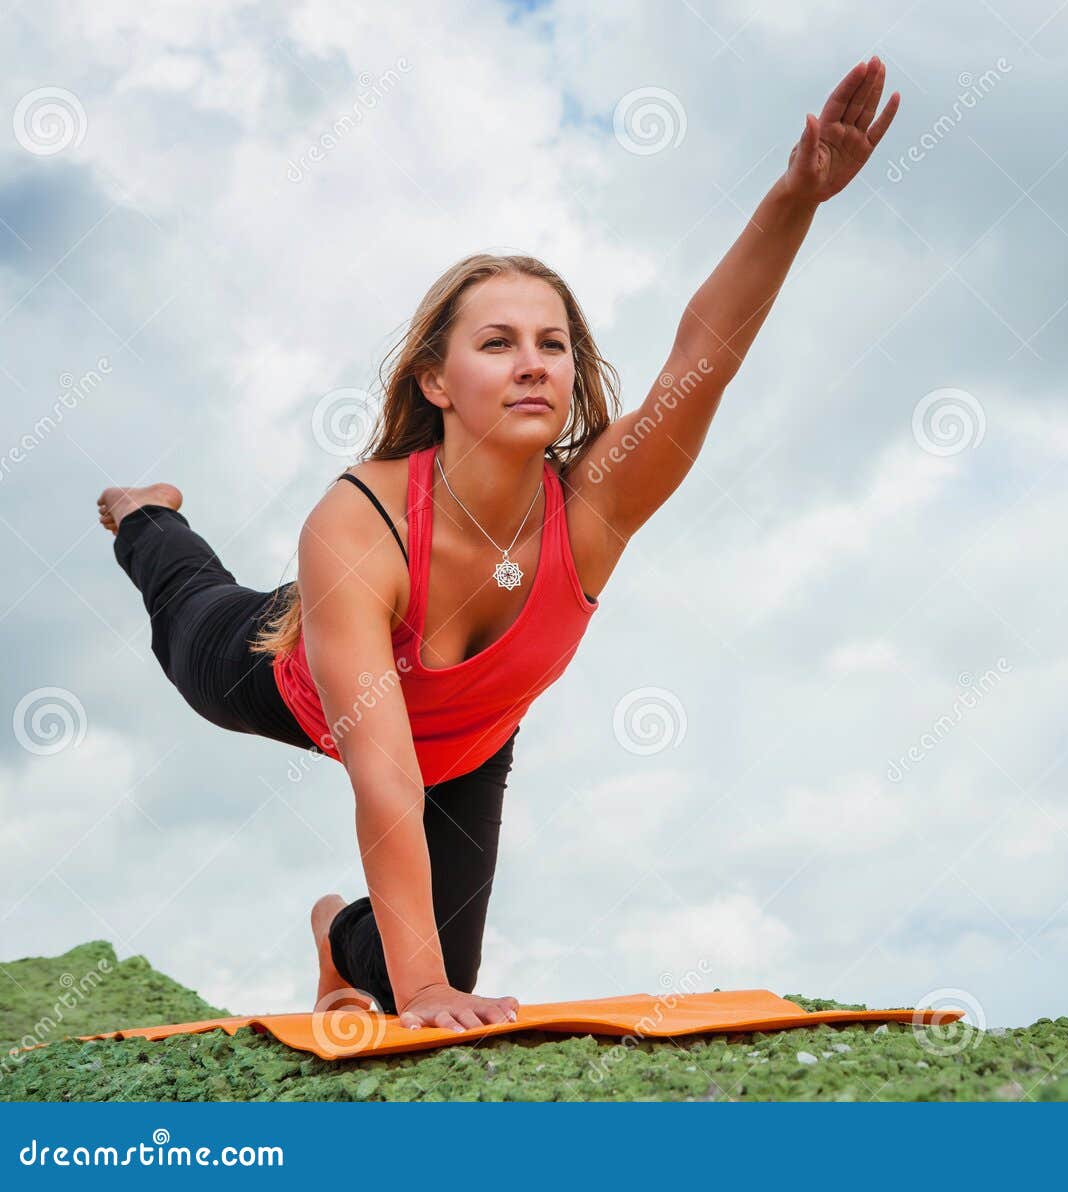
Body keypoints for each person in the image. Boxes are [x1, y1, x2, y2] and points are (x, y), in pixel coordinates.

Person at [97, 58, 899, 1035]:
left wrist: (795, 199)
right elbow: (385, 777)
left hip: (470, 740)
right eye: (497, 343)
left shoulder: (596, 508)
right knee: (188, 616)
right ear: (435, 381)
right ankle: (147, 517)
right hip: (281, 665)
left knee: (430, 962)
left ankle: (336, 937)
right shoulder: (356, 525)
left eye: (552, 344)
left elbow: (704, 357)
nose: (532, 364)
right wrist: (426, 993)